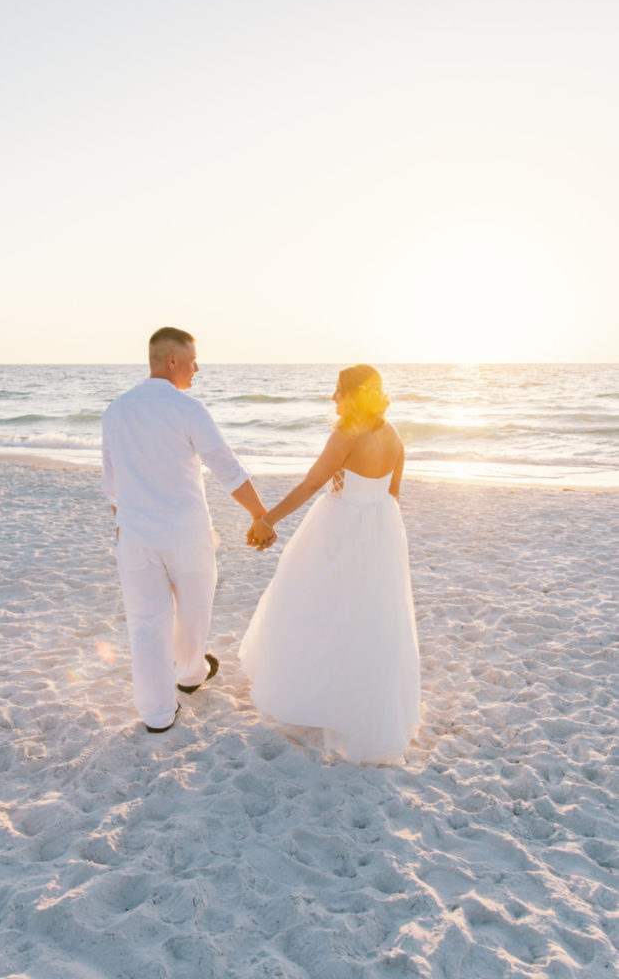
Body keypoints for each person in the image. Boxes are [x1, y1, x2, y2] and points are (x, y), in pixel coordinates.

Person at [240, 364, 420, 764]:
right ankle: (356, 704)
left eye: (338, 391)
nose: (333, 398)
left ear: (355, 395)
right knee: (364, 619)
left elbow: (309, 485)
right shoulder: (394, 437)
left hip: (338, 527)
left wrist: (266, 520)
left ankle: (313, 699)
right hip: (380, 533)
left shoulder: (344, 436)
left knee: (311, 605)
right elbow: (393, 496)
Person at [101, 327, 276, 733]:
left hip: (136, 537)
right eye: (193, 359)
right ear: (172, 360)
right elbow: (226, 467)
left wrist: (122, 523)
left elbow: (111, 482)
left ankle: (157, 714)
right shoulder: (187, 408)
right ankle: (191, 674)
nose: (198, 368)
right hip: (185, 534)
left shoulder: (116, 410)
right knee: (194, 612)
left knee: (146, 624)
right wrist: (260, 517)